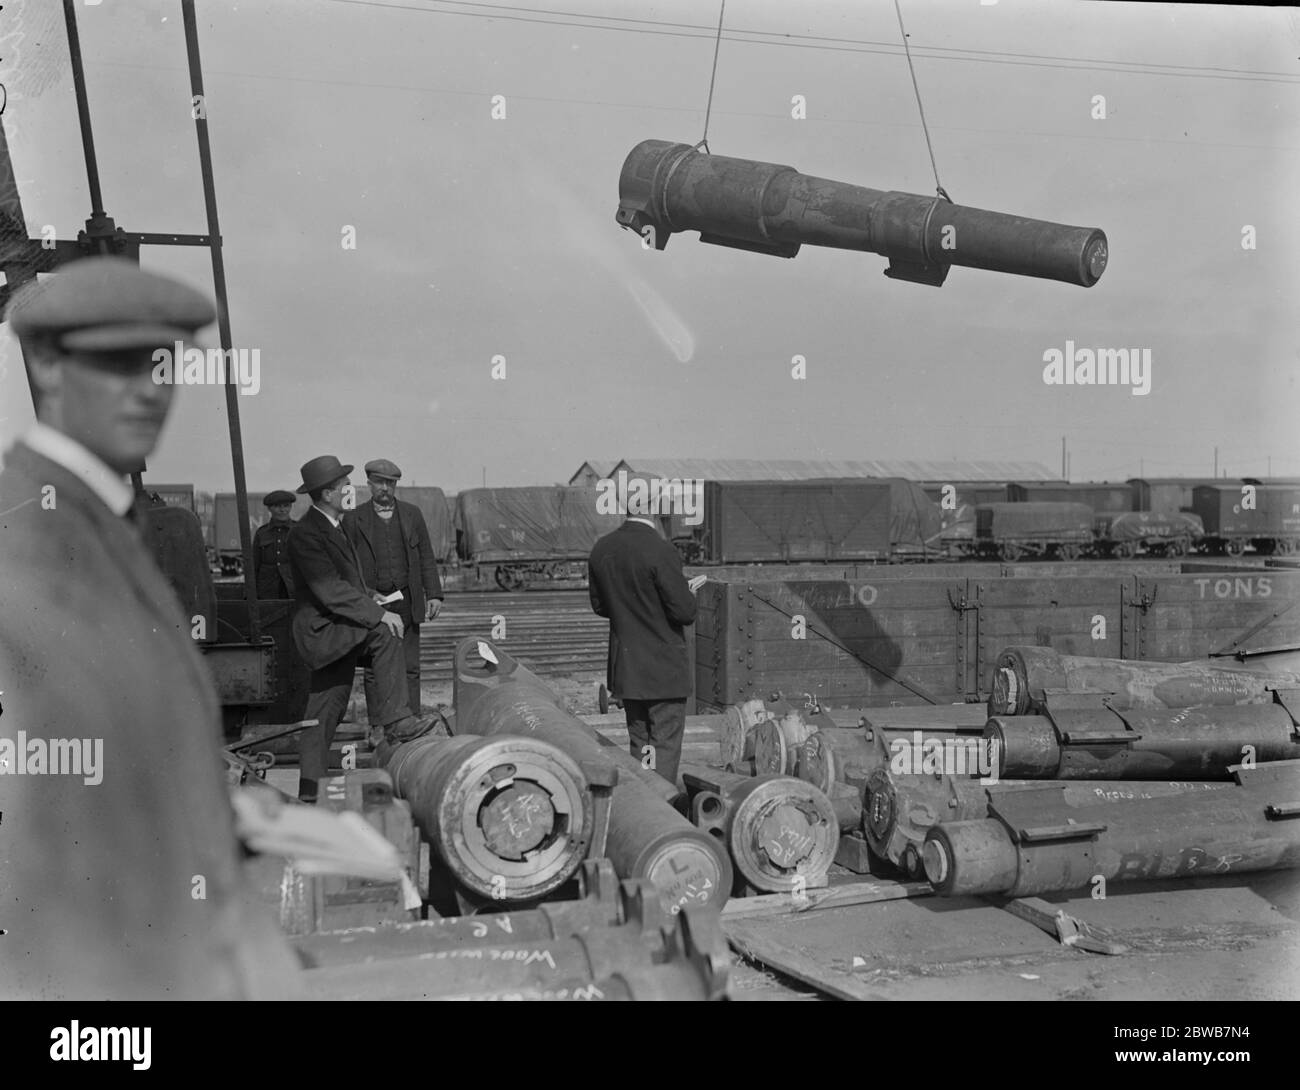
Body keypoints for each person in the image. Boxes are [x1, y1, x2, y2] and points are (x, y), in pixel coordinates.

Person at [0, 256, 298, 998]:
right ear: (45, 364)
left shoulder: (100, 524)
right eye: (117, 361)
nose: (148, 389)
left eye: (163, 363)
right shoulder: (29, 538)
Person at [287, 455, 434, 803]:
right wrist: (379, 614)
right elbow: (330, 589)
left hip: (340, 627)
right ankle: (397, 720)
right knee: (383, 635)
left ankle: (310, 789)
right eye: (342, 487)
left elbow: (349, 582)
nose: (348, 491)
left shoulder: (334, 526)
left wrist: (373, 599)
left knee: (325, 710)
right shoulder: (307, 534)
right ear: (325, 494)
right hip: (326, 632)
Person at [587, 492, 701, 786]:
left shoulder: (602, 548)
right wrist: (688, 593)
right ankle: (661, 812)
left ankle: (644, 804)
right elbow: (684, 612)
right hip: (663, 672)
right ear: (653, 511)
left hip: (628, 671)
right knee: (664, 742)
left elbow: (600, 606)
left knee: (641, 743)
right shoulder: (661, 550)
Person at [344, 458, 443, 714]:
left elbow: (426, 557)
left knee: (410, 666)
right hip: (374, 605)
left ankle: (412, 718)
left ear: (396, 485)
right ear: (369, 484)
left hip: (408, 601)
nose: (385, 488)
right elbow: (348, 567)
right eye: (379, 483)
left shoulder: (412, 514)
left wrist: (434, 594)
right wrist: (364, 597)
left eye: (390, 483)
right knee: (374, 670)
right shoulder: (354, 519)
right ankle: (378, 724)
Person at [252, 488, 297, 599]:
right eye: (277, 506)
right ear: (269, 509)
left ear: (290, 507)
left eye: (286, 506)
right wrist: (249, 594)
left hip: (294, 589)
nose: (282, 510)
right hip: (267, 591)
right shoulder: (261, 533)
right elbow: (254, 566)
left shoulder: (299, 531)